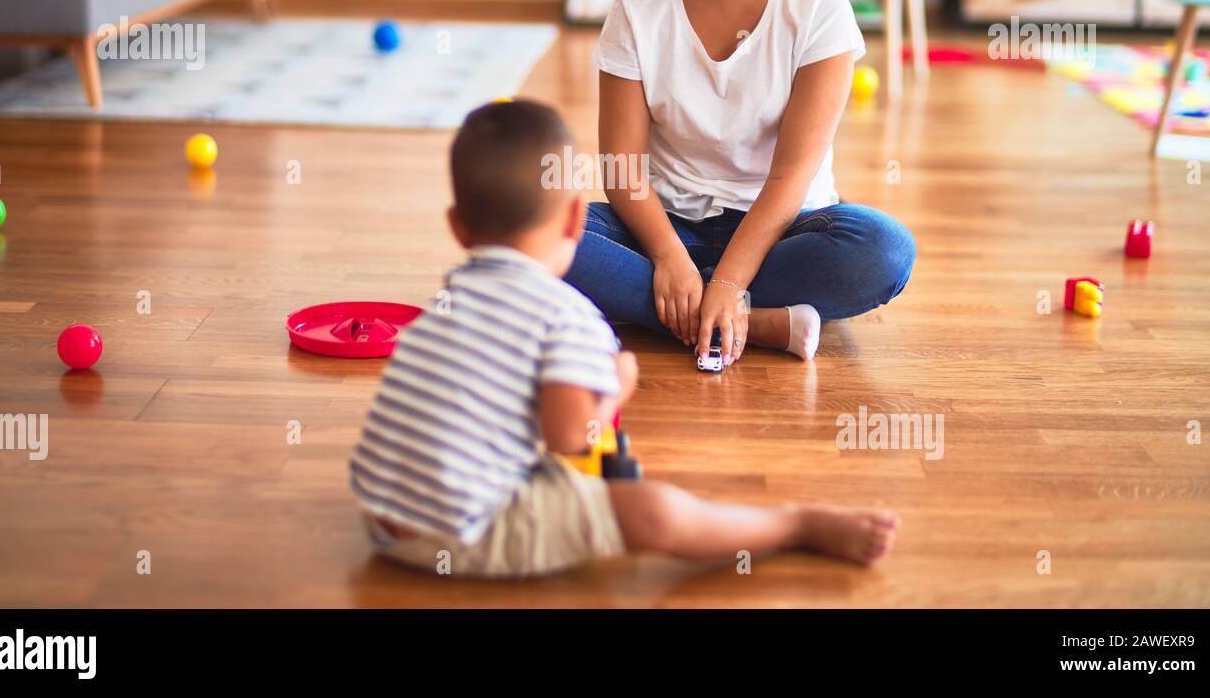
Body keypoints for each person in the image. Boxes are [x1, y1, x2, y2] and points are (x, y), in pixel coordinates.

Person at [350, 100, 898, 577]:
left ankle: (732, 313)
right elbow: (571, 434)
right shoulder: (565, 316)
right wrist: (614, 385)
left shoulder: (445, 303)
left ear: (458, 226)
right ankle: (791, 525)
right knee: (653, 512)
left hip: (383, 521)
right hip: (465, 533)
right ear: (572, 222)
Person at [565, 0, 916, 367]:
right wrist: (669, 258)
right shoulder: (637, 8)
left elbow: (790, 178)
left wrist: (729, 279)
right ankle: (760, 325)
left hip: (781, 230)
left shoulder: (820, 8)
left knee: (885, 252)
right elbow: (623, 171)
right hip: (666, 224)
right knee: (539, 234)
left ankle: (703, 311)